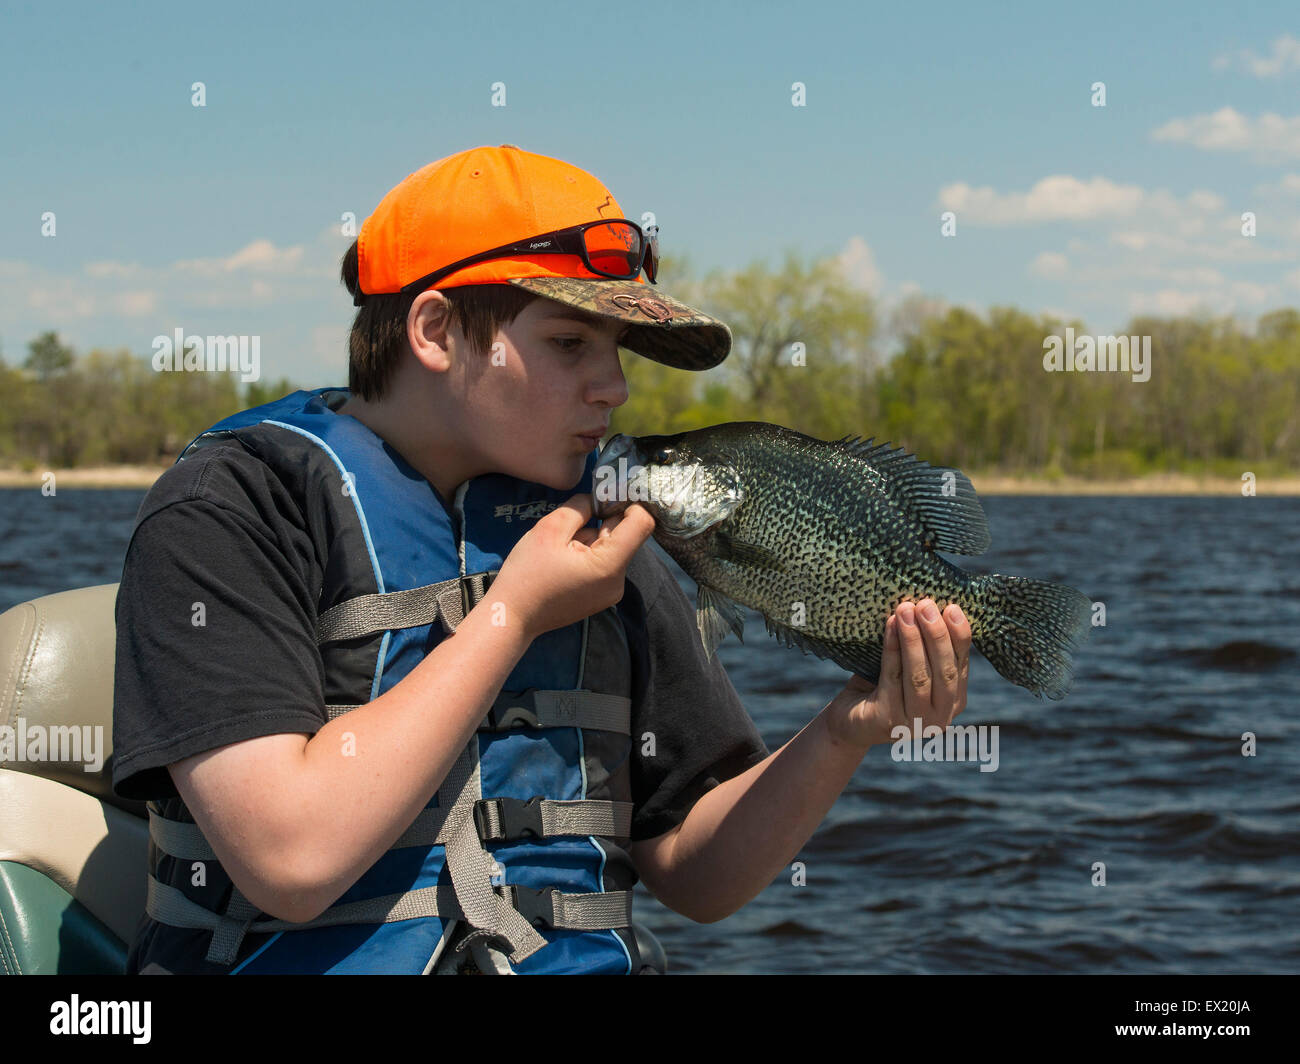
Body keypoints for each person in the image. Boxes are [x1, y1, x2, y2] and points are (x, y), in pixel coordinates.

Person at [110, 144, 972, 975]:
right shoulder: (227, 510)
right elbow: (289, 860)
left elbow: (695, 873)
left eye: (618, 351)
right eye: (571, 345)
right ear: (437, 330)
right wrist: (513, 615)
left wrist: (841, 734)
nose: (615, 387)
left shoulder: (604, 528)